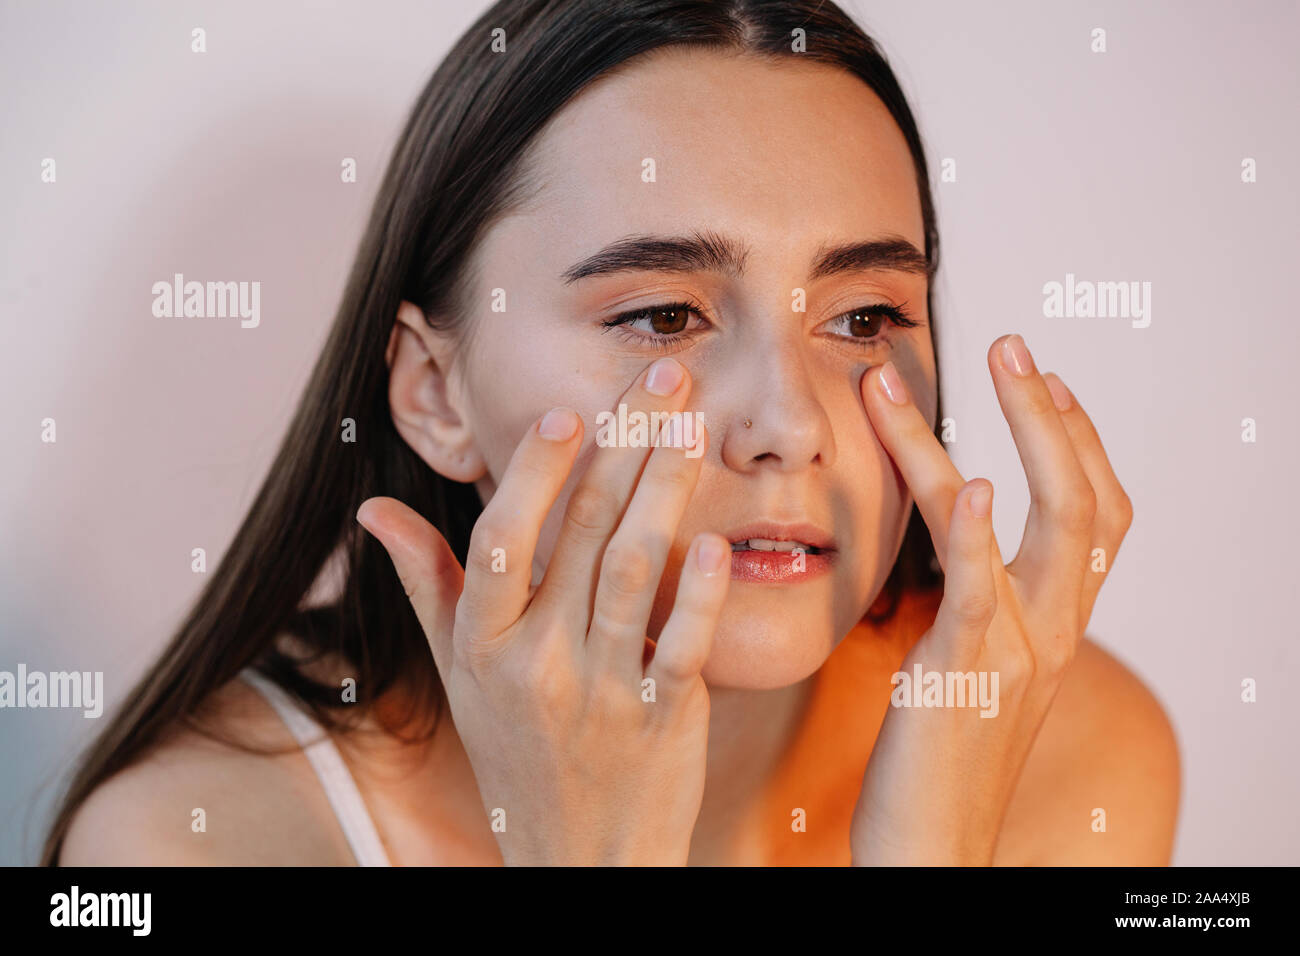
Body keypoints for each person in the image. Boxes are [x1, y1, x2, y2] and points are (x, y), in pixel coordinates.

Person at [46, 0, 1178, 866]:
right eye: (661, 316)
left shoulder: (1065, 748)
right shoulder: (190, 840)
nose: (787, 424)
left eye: (864, 316)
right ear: (436, 394)